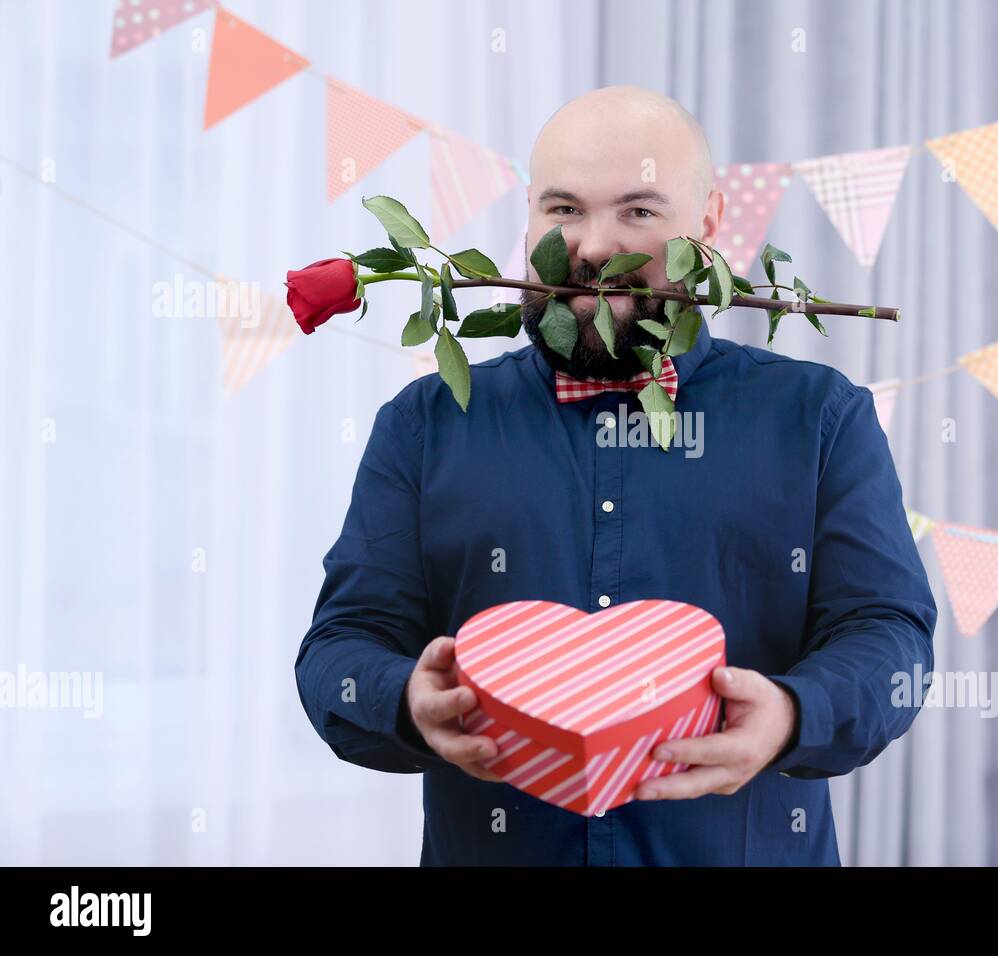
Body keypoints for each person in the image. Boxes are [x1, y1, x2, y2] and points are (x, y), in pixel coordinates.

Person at [295, 85, 937, 866]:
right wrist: (407, 701)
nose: (594, 247)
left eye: (638, 210)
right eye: (563, 210)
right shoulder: (424, 425)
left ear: (707, 224)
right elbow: (339, 649)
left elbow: (889, 637)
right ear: (528, 217)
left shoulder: (820, 418)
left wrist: (793, 715)